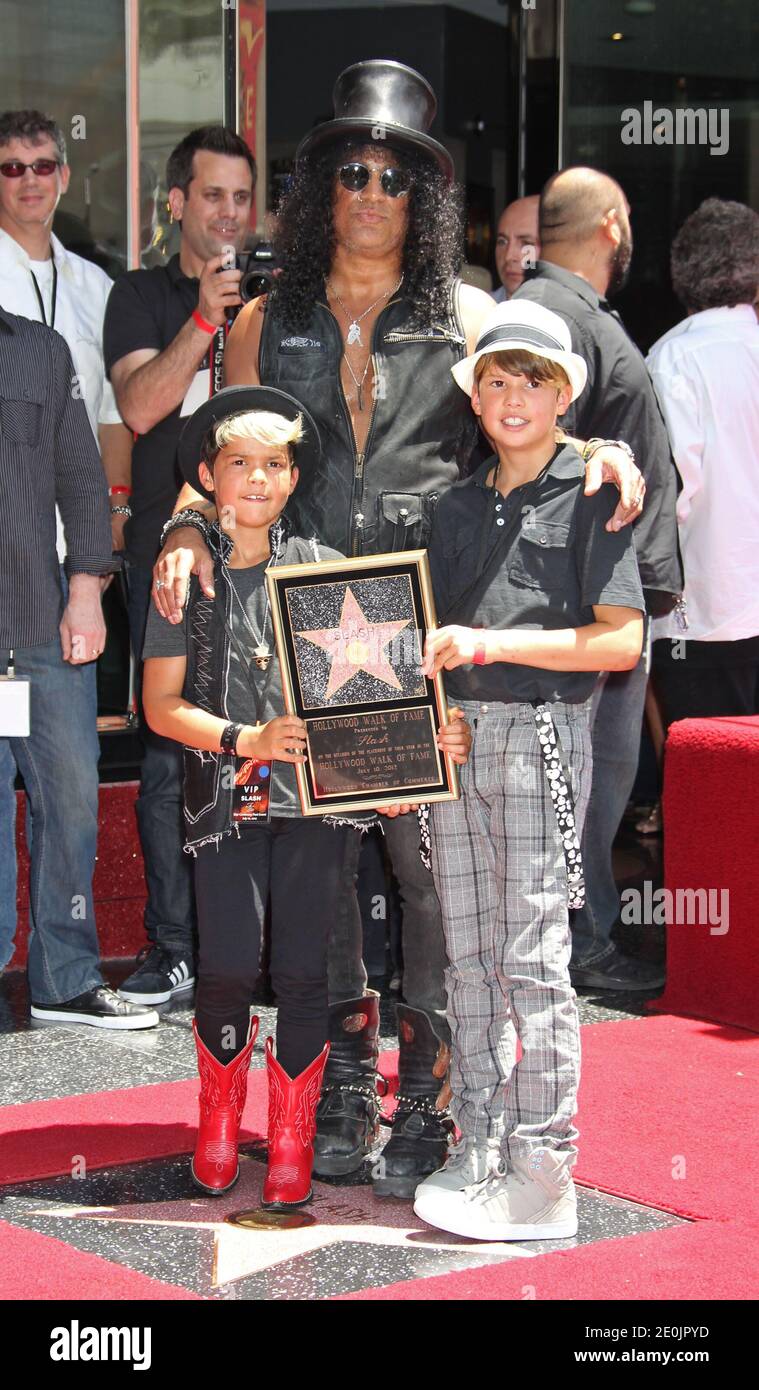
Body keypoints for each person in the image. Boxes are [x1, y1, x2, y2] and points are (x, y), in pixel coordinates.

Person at [151, 62, 644, 1195]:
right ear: (323, 185)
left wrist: (602, 458)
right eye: (352, 170)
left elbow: (545, 421)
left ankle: (424, 1091)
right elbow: (223, 455)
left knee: (429, 880)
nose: (371, 190)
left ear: (423, 196)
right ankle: (330, 1087)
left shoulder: (475, 314)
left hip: (427, 639)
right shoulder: (265, 322)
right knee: (320, 873)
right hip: (302, 632)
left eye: (395, 175)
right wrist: (185, 526)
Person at [140, 384, 470, 1203]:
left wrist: (400, 769)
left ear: (293, 478)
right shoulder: (183, 581)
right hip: (224, 804)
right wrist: (242, 740)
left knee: (301, 975)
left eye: (273, 464)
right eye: (238, 463)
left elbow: (381, 701)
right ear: (209, 478)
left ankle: (289, 1136)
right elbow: (157, 706)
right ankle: (218, 1123)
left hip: (319, 810)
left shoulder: (329, 576)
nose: (255, 478)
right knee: (222, 967)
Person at [413, 299, 644, 1239]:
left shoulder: (594, 491)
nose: (513, 396)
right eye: (496, 379)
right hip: (458, 745)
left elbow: (620, 644)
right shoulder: (452, 506)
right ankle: (480, 1141)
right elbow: (423, 644)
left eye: (533, 380)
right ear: (474, 397)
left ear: (562, 397)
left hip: (540, 737)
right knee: (464, 953)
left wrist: (488, 642)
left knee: (531, 960)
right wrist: (437, 719)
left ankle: (546, 1172)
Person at [515, 166, 682, 993]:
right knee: (583, 778)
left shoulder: (567, 310)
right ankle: (579, 943)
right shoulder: (554, 313)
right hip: (585, 601)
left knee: (596, 778)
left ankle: (585, 936)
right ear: (612, 225)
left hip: (600, 595)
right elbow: (532, 452)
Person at [103, 125, 257, 1007]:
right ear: (176, 203)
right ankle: (172, 950)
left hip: (268, 560)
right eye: (212, 196)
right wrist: (203, 315)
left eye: (241, 197)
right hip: (169, 563)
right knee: (168, 759)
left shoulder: (277, 301)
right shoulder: (139, 296)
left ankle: (255, 944)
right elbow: (138, 403)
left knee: (268, 750)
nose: (229, 213)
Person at [0, 305, 158, 1028]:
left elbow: (79, 475)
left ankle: (65, 979)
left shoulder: (38, 349)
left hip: (40, 622)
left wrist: (88, 588)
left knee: (70, 806)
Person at [647, 198, 759, 723]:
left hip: (706, 612)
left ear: (681, 274)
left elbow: (674, 494)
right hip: (734, 604)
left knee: (711, 786)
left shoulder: (674, 357)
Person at [492, 194, 540, 302]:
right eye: (502, 242)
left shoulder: (574, 315)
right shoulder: (479, 315)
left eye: (526, 243)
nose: (508, 256)